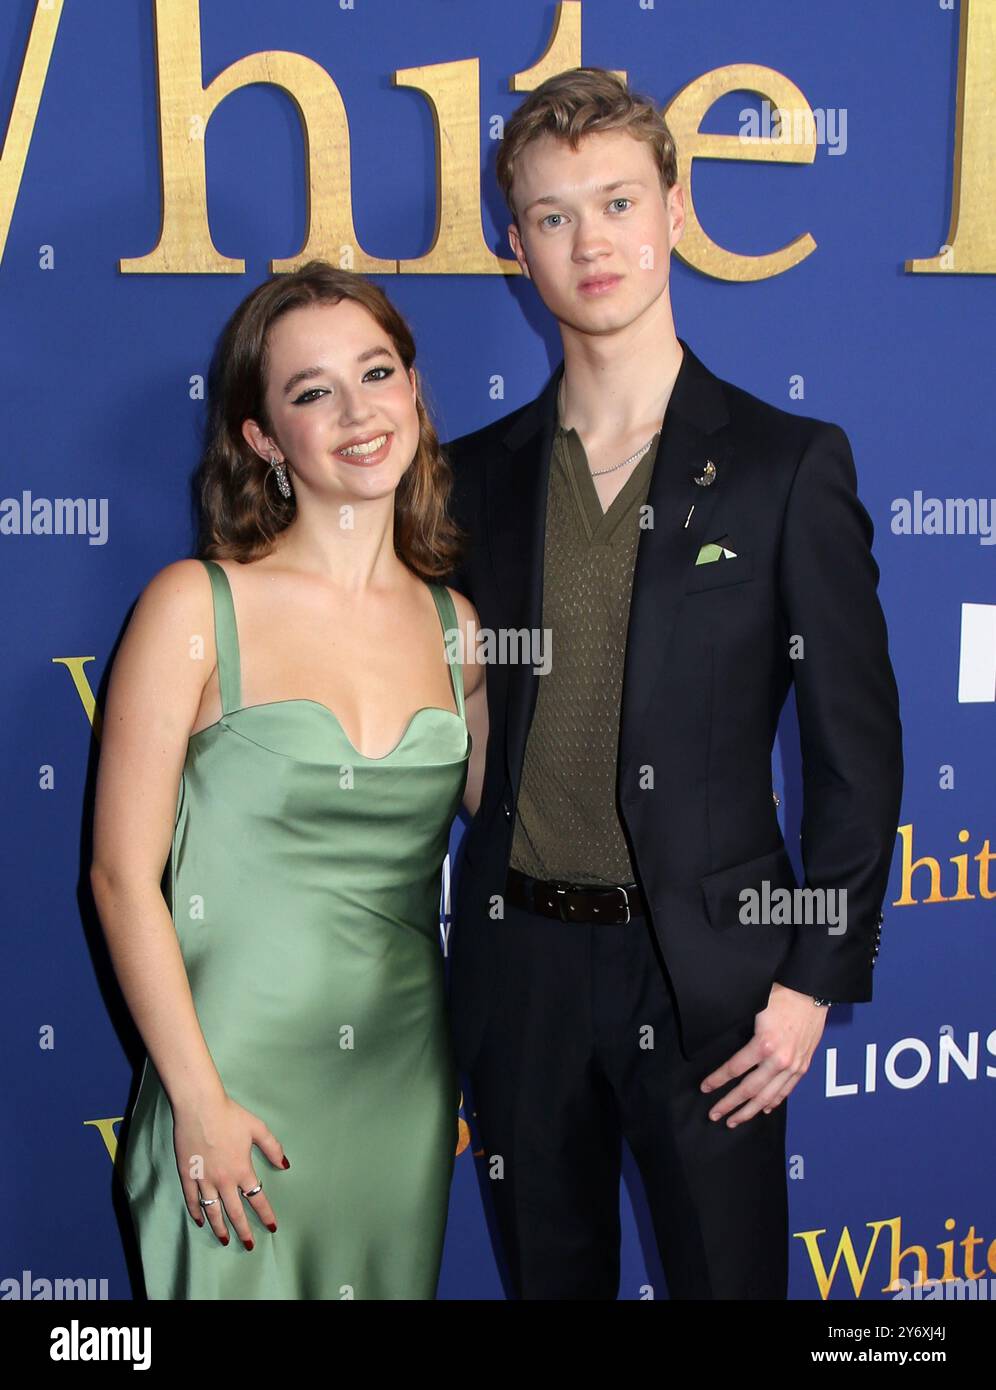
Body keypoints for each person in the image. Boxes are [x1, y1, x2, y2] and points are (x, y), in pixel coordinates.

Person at [442, 68, 903, 1299]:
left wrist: (811, 982)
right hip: (520, 974)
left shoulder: (788, 465)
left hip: (715, 981)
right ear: (515, 249)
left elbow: (859, 757)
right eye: (552, 215)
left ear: (676, 210)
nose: (590, 242)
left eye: (616, 201)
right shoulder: (469, 480)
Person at [90, 261, 487, 1299]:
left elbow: (529, 811)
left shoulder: (460, 628)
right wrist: (196, 1099)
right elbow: (122, 879)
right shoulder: (195, 605)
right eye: (312, 391)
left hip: (398, 1085)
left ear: (414, 391)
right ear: (262, 436)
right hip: (229, 1078)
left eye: (378, 372)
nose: (359, 413)